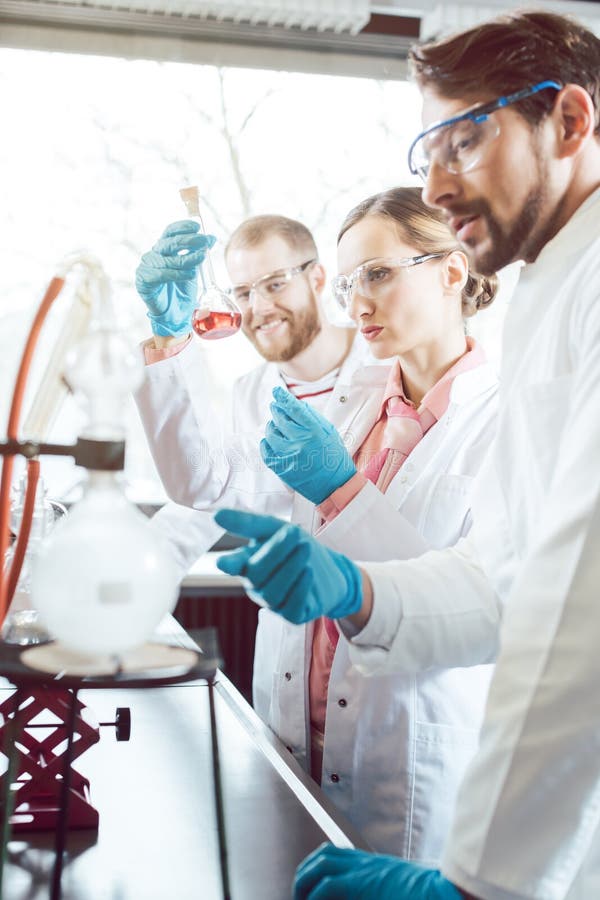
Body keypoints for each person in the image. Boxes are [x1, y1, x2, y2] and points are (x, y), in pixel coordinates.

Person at [214, 10, 600, 899]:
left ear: (570, 122)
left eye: (464, 140)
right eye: (426, 152)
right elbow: (504, 578)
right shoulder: (554, 286)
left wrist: (478, 885)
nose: (438, 184)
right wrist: (359, 589)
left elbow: (574, 617)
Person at [137, 190, 500, 860]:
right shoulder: (345, 403)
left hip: (411, 767)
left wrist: (342, 490)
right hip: (294, 737)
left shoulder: (507, 423)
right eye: (354, 280)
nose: (359, 302)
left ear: (453, 271)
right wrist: (171, 339)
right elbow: (203, 482)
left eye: (381, 273)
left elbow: (469, 609)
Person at [134, 214, 359, 576]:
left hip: (378, 607)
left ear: (317, 278)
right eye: (243, 292)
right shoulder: (250, 393)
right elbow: (203, 506)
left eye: (274, 284)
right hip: (290, 619)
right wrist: (118, 578)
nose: (258, 307)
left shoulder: (385, 365)